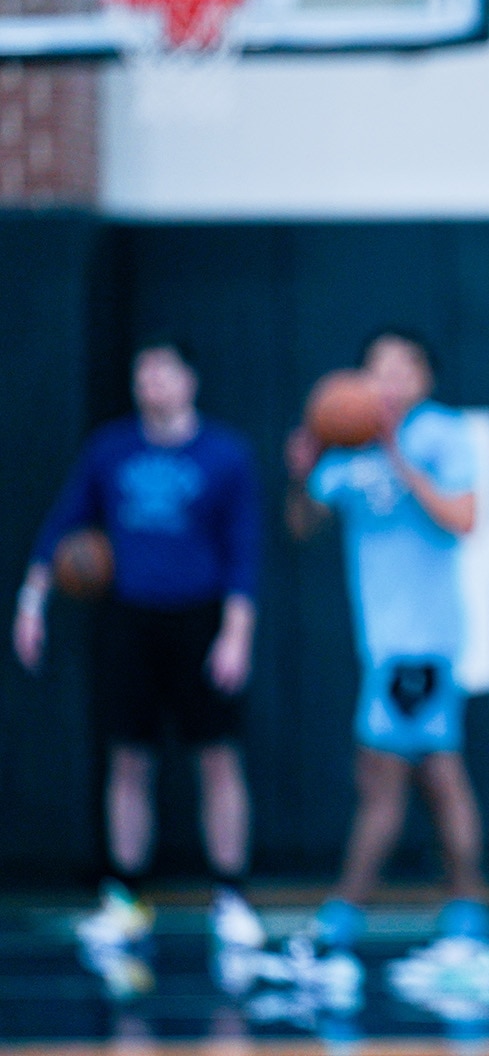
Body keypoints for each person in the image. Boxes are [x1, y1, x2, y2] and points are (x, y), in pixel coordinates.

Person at [12, 338, 264, 996]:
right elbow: (63, 524)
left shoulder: (225, 454)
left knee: (217, 757)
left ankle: (230, 897)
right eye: (141, 372)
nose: (151, 382)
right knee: (129, 759)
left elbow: (244, 549)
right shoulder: (111, 450)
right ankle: (125, 897)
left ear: (190, 378)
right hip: (130, 617)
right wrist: (33, 599)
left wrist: (236, 632)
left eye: (162, 371)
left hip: (199, 617)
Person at [284, 329, 489, 1004]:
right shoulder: (347, 444)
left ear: (424, 379)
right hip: (384, 645)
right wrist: (306, 462)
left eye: (404, 366)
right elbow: (303, 523)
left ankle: (337, 933)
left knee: (384, 784)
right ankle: (466, 933)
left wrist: (398, 459)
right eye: (376, 367)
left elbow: (464, 518)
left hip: (424, 644)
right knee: (437, 777)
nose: (389, 379)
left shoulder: (440, 436)